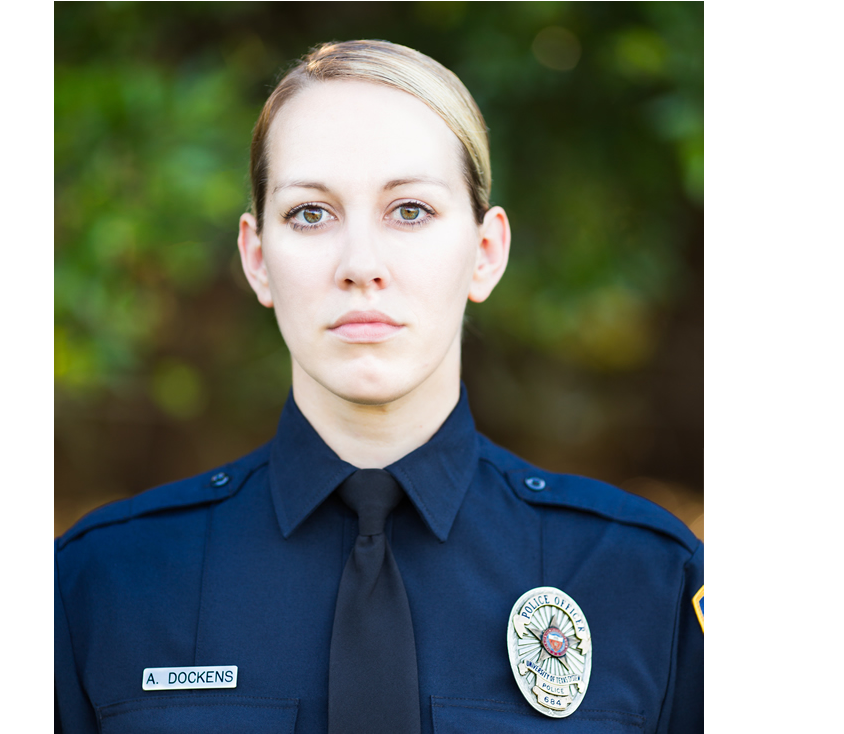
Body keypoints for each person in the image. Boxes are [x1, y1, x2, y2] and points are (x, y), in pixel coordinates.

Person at [55, 40, 703, 734]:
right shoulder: (102, 582)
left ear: (485, 253)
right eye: (310, 213)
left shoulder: (644, 576)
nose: (360, 264)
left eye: (410, 210)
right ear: (257, 257)